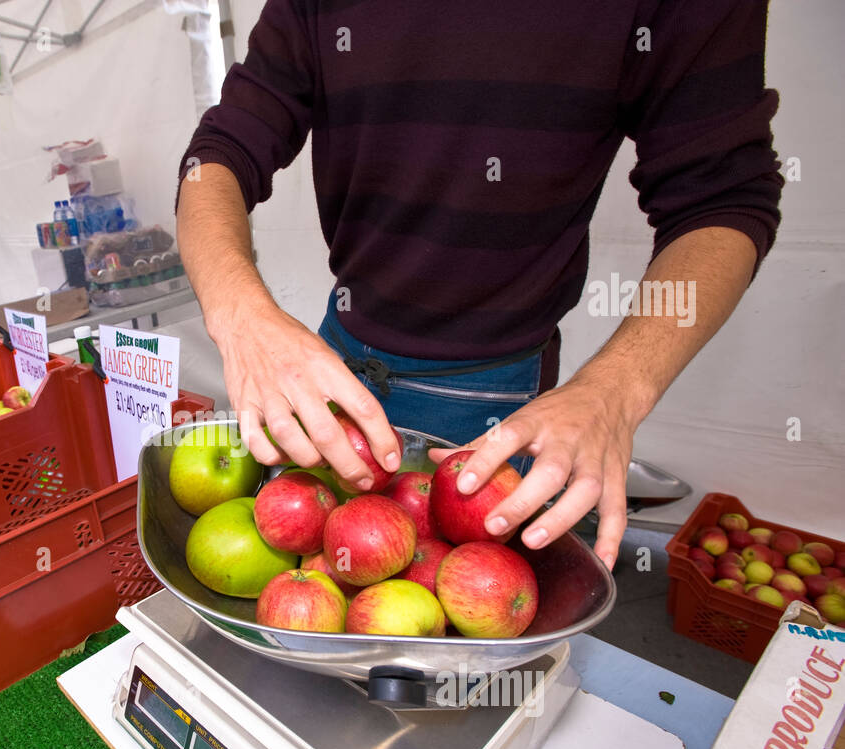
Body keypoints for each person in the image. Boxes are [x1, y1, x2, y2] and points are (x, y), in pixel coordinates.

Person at [176, 2, 783, 570]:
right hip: (334, 363)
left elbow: (722, 198)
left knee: (468, 655)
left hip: (499, 404)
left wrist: (617, 389)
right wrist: (239, 314)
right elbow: (222, 149)